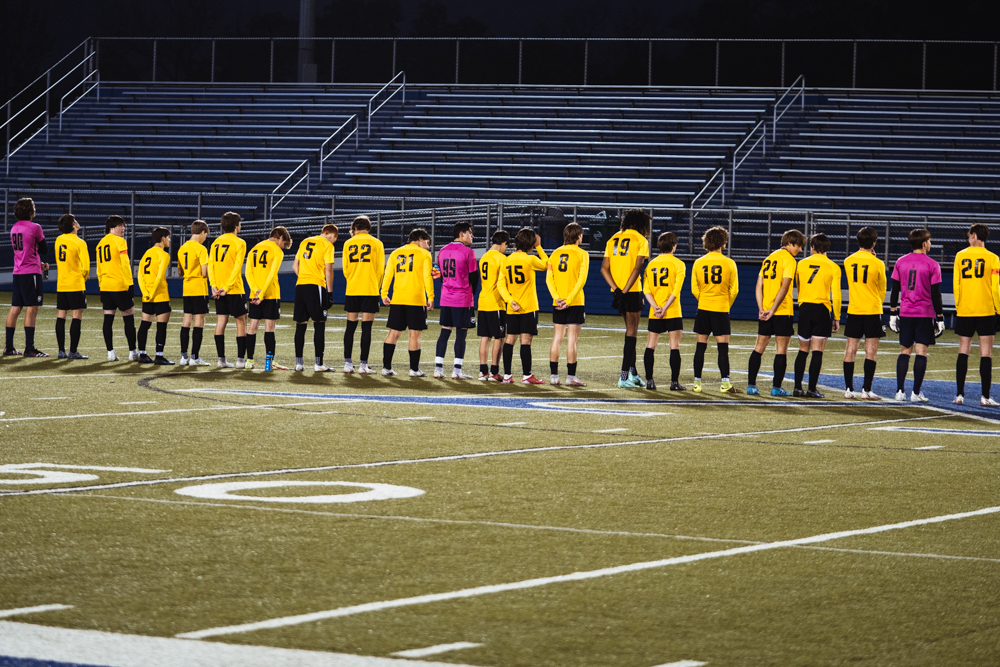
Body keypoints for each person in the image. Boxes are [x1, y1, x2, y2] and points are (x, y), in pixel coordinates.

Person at [889, 229, 945, 403]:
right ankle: (916, 393)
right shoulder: (932, 264)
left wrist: (892, 313)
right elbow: (936, 294)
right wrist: (941, 318)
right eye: (929, 240)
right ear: (923, 243)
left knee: (905, 351)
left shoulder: (900, 261)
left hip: (906, 312)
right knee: (921, 352)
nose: (930, 243)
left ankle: (899, 391)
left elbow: (895, 290)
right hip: (924, 313)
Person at [747, 230, 805, 396]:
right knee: (781, 350)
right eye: (799, 246)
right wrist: (773, 310)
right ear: (791, 243)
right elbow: (785, 287)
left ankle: (751, 386)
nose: (800, 250)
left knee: (758, 348)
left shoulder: (768, 258)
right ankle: (776, 388)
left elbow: (759, 286)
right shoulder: (789, 260)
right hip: (782, 310)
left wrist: (762, 308)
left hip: (765, 310)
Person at [600, 209, 650, 388]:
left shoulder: (613, 238)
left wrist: (616, 290)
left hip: (618, 291)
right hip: (632, 290)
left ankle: (634, 374)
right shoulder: (641, 240)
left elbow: (604, 268)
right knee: (632, 333)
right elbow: (637, 269)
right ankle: (623, 377)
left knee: (630, 332)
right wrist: (626, 291)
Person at [952, 223, 1000, 407]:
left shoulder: (960, 255)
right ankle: (985, 396)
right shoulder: (993, 258)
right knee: (986, 353)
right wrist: (998, 308)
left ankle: (959, 395)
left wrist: (959, 305)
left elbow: (957, 284)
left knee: (963, 350)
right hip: (986, 309)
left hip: (965, 309)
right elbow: (995, 287)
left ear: (973, 235)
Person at [497, 227, 549, 384]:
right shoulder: (530, 259)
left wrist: (509, 300)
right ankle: (527, 375)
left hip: (512, 307)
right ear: (530, 243)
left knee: (509, 339)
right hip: (528, 306)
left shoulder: (506, 260)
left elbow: (500, 284)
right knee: (526, 341)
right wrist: (539, 246)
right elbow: (547, 264)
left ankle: (507, 375)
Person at [691, 226, 740, 393]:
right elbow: (734, 290)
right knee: (723, 348)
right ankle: (725, 384)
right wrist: (725, 303)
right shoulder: (729, 263)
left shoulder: (698, 262)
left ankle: (697, 383)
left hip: (703, 308)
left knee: (700, 347)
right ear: (723, 243)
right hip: (721, 309)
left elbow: (694, 289)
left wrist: (704, 299)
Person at [793, 233, 842, 398]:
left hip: (805, 308)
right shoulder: (833, 267)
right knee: (817, 352)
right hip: (822, 309)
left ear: (812, 247)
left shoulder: (801, 264)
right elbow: (836, 295)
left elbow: (798, 286)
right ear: (827, 248)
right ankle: (812, 389)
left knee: (802, 350)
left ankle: (797, 388)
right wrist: (837, 317)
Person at [381, 228, 435, 377]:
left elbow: (388, 275)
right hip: (416, 300)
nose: (428, 246)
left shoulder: (395, 253)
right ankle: (414, 369)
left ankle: (386, 368)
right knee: (415, 335)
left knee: (393, 333)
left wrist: (384, 293)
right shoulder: (424, 254)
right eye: (427, 242)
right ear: (419, 239)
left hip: (398, 299)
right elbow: (427, 278)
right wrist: (430, 296)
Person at [843, 227, 887, 400]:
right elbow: (882, 289)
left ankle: (848, 389)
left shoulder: (848, 260)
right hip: (872, 309)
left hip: (854, 309)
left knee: (850, 349)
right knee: (871, 351)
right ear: (874, 243)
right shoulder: (878, 263)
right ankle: (866, 390)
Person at [5, 198, 50, 357]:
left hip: (18, 272)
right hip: (31, 273)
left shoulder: (14, 228)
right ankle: (29, 348)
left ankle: (9, 347)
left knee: (15, 308)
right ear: (30, 211)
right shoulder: (35, 227)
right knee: (32, 308)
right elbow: (43, 248)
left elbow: (26, 251)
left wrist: (39, 261)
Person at [642, 231, 686, 391]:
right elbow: (676, 290)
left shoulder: (651, 264)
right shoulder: (679, 264)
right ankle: (674, 383)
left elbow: (646, 289)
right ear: (674, 246)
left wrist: (655, 307)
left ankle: (649, 381)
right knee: (674, 346)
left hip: (655, 312)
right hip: (673, 311)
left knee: (650, 345)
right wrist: (666, 308)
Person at [435, 222, 479, 380]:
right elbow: (474, 277)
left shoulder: (442, 250)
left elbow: (441, 276)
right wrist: (471, 295)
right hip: (462, 298)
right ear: (462, 234)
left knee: (444, 332)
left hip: (446, 297)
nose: (472, 236)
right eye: (470, 233)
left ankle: (438, 368)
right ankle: (457, 370)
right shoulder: (468, 252)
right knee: (461, 334)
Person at [546, 222, 589, 386]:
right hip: (575, 301)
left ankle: (554, 376)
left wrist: (557, 298)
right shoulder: (582, 254)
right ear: (578, 236)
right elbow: (581, 280)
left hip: (557, 302)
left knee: (557, 338)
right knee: (572, 340)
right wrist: (569, 300)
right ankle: (571, 377)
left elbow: (549, 279)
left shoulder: (555, 253)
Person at [342, 215, 385, 375]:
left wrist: (353, 279)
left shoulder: (348, 243)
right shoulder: (377, 243)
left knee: (350, 327)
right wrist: (377, 287)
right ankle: (363, 365)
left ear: (355, 228)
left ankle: (347, 364)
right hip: (370, 289)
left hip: (352, 289)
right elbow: (380, 269)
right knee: (366, 328)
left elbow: (346, 269)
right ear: (368, 228)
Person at [246, 226, 292, 371]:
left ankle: (249, 361)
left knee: (252, 327)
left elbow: (248, 272)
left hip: (254, 293)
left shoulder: (254, 248)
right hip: (270, 293)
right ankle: (269, 363)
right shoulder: (276, 251)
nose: (283, 247)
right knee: (269, 328)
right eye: (284, 244)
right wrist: (263, 293)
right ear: (281, 238)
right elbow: (272, 275)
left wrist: (256, 291)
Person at [292, 224, 337, 372]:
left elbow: (294, 266)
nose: (334, 240)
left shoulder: (305, 241)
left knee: (301, 324)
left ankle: (299, 363)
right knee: (319, 323)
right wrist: (329, 293)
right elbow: (328, 271)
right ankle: (318, 364)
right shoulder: (327, 245)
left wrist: (304, 277)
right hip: (316, 285)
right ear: (328, 233)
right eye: (334, 237)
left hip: (300, 285)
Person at [208, 212, 248, 369]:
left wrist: (214, 285)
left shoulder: (216, 242)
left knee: (220, 322)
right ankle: (240, 360)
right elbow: (237, 268)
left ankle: (221, 360)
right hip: (234, 289)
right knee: (241, 322)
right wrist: (227, 287)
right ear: (236, 225)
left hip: (218, 289)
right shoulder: (240, 243)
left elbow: (211, 265)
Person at [95, 215, 137, 362]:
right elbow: (125, 264)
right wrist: (130, 283)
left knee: (108, 319)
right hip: (119, 285)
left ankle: (110, 352)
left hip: (106, 286)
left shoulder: (100, 243)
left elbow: (99, 268)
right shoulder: (120, 241)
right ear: (111, 228)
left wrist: (101, 285)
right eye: (120, 225)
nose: (123, 228)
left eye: (123, 225)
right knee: (129, 318)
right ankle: (133, 352)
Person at [53, 213, 90, 360]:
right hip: (75, 283)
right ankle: (73, 351)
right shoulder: (80, 242)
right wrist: (83, 277)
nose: (77, 222)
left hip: (62, 284)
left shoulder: (58, 240)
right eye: (75, 220)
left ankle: (61, 351)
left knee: (61, 316)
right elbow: (86, 267)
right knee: (76, 317)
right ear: (73, 225)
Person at [136, 227, 174, 365]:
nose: (169, 240)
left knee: (144, 325)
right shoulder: (164, 255)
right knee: (161, 326)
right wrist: (152, 293)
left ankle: (142, 354)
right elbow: (159, 277)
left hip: (147, 295)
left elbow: (139, 275)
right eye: (168, 237)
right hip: (160, 295)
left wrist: (145, 293)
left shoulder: (147, 253)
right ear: (163, 238)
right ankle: (159, 356)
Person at [177, 220, 211, 367]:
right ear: (202, 232)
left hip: (187, 287)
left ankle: (183, 357)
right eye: (205, 235)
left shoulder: (182, 248)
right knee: (199, 322)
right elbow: (204, 272)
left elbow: (179, 271)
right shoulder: (201, 249)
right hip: (199, 287)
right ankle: (194, 357)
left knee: (186, 321)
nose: (205, 238)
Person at [477, 230, 509, 381]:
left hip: (483, 301)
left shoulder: (483, 257)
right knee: (499, 337)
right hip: (496, 302)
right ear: (503, 243)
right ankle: (494, 372)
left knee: (485, 337)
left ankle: (483, 372)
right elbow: (504, 282)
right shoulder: (501, 258)